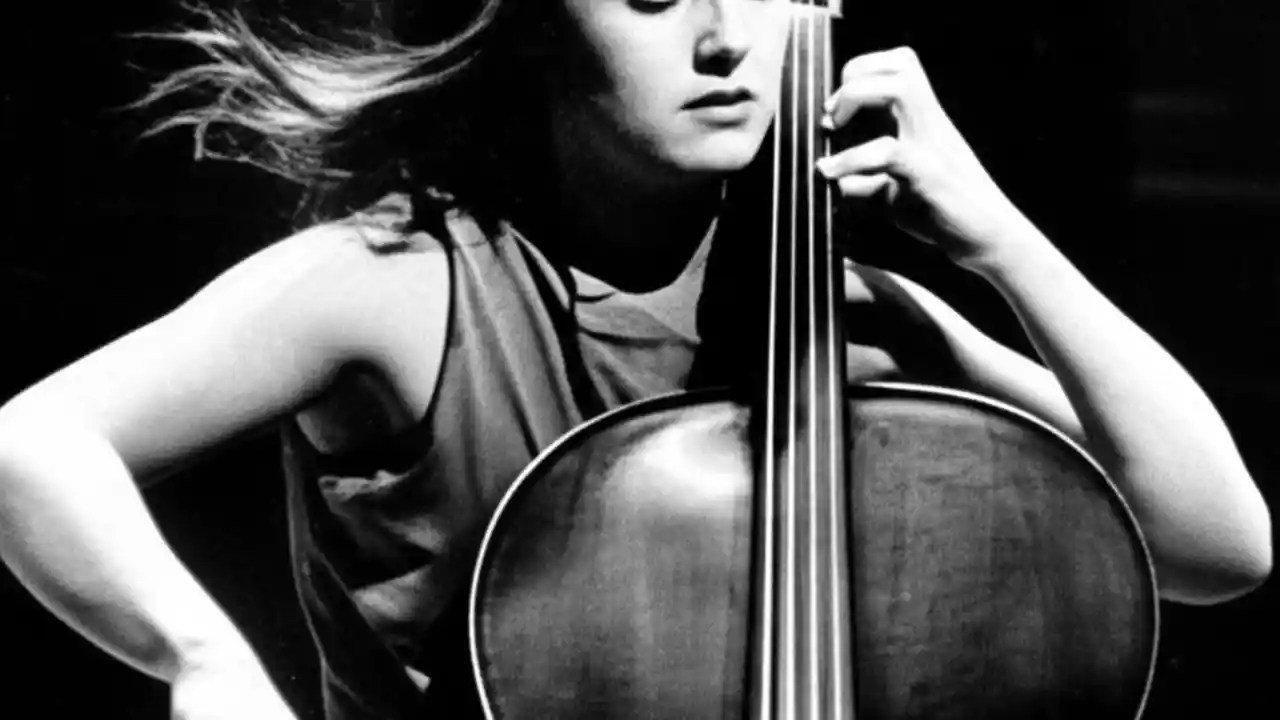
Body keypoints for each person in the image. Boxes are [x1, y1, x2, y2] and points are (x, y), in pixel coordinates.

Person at [0, 1, 1271, 718]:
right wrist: (204, 660)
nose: (724, 40)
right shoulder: (403, 281)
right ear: (541, 26)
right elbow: (30, 440)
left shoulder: (820, 310)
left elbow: (1212, 548)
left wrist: (1001, 241)